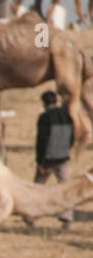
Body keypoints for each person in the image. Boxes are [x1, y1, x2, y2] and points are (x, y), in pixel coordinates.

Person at [35, 90, 75, 223]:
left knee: (37, 188)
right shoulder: (66, 115)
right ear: (56, 101)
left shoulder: (45, 117)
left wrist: (39, 161)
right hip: (63, 158)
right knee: (65, 188)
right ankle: (67, 215)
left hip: (48, 159)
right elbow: (72, 136)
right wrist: (68, 149)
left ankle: (30, 215)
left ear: (44, 103)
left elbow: (42, 141)